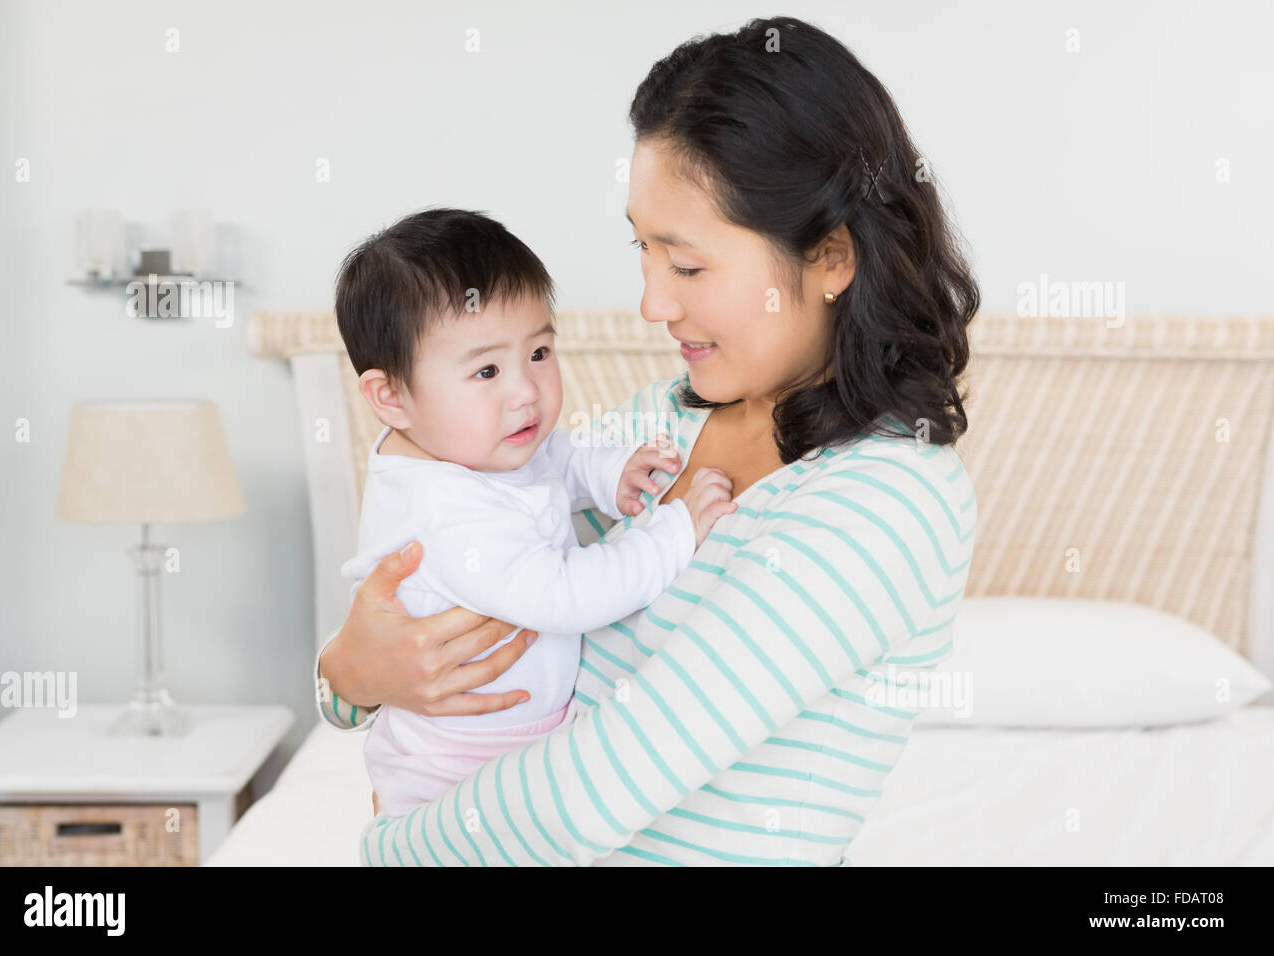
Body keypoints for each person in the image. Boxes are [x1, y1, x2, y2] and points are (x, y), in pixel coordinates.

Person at [317, 15, 980, 865]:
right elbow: (460, 596)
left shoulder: (888, 500)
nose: (652, 304)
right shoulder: (661, 421)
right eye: (643, 249)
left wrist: (391, 850)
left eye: (688, 265)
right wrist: (346, 679)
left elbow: (588, 798)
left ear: (829, 257)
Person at [333, 208, 738, 817]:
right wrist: (673, 530)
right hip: (449, 778)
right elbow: (567, 595)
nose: (526, 390)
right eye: (487, 370)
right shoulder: (443, 514)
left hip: (521, 751)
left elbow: (559, 458)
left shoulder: (478, 445)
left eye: (541, 352)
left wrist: (611, 475)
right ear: (390, 396)